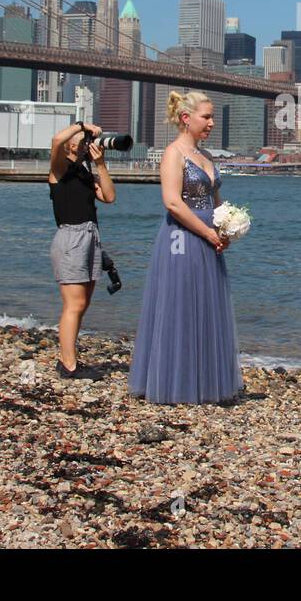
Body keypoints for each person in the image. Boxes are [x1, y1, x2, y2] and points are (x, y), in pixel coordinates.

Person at [129, 90, 243, 404]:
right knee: (180, 306)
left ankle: (203, 380)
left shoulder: (206, 157)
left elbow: (216, 201)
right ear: (185, 118)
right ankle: (174, 382)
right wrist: (207, 233)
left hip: (208, 238)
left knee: (206, 305)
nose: (211, 123)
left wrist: (227, 228)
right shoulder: (173, 154)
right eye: (206, 117)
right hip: (181, 238)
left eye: (212, 117)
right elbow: (172, 203)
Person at [48, 120, 116, 379]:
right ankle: (68, 365)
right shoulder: (59, 170)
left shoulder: (85, 172)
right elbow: (56, 141)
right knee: (73, 304)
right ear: (71, 146)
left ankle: (69, 358)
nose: (88, 144)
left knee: (82, 304)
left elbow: (109, 197)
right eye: (83, 141)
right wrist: (81, 126)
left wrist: (101, 165)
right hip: (71, 238)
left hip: (90, 237)